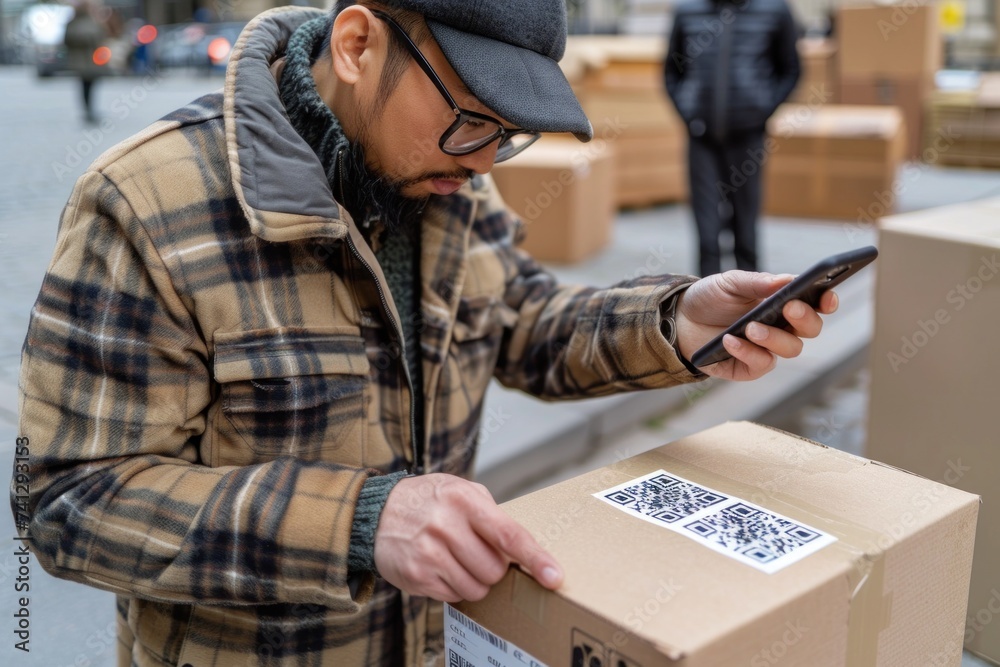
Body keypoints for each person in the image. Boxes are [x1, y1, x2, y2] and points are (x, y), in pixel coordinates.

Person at [15, 1, 837, 664]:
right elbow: (67, 498)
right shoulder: (145, 204)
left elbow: (520, 319)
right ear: (357, 43)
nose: (484, 161)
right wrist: (362, 522)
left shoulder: (451, 180)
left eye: (507, 133)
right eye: (470, 120)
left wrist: (675, 320)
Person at [664, 0, 801, 277]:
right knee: (706, 231)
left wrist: (761, 111)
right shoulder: (687, 10)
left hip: (747, 137)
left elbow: (791, 69)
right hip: (701, 138)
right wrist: (689, 114)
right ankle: (704, 304)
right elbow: (671, 71)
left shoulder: (775, 10)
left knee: (746, 226)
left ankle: (751, 305)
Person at [63, 0, 108, 123]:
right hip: (86, 61)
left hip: (88, 61)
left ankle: (89, 109)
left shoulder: (77, 23)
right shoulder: (83, 23)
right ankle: (89, 110)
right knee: (87, 86)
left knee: (88, 86)